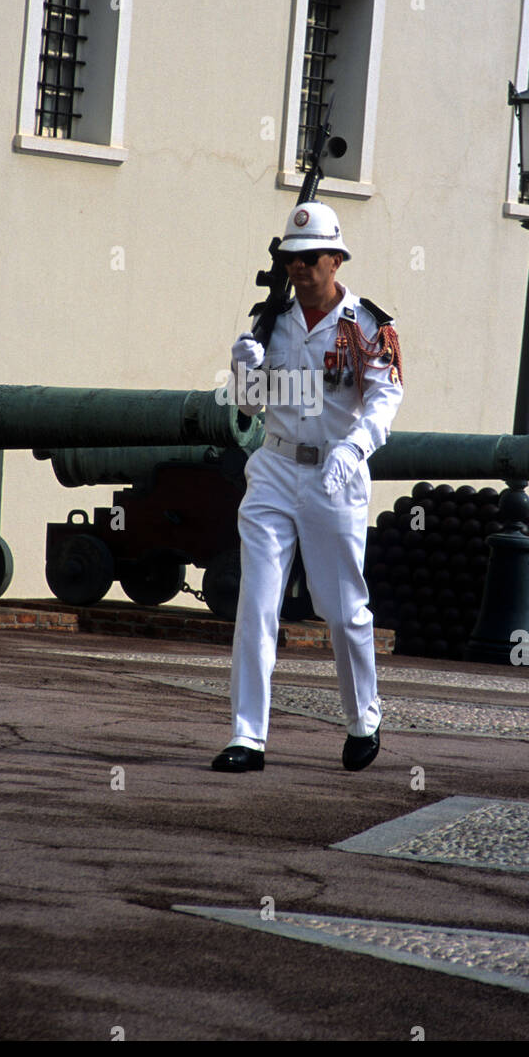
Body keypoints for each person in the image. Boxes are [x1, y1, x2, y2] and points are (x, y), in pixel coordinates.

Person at [211, 201, 403, 774]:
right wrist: (243, 369)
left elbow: (386, 399)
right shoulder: (270, 322)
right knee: (257, 604)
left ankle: (363, 718)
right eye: (291, 258)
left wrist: (355, 447)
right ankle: (248, 736)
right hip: (272, 468)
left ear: (336, 260)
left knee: (341, 610)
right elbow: (248, 406)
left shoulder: (366, 326)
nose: (298, 267)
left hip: (334, 474)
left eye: (310, 257)